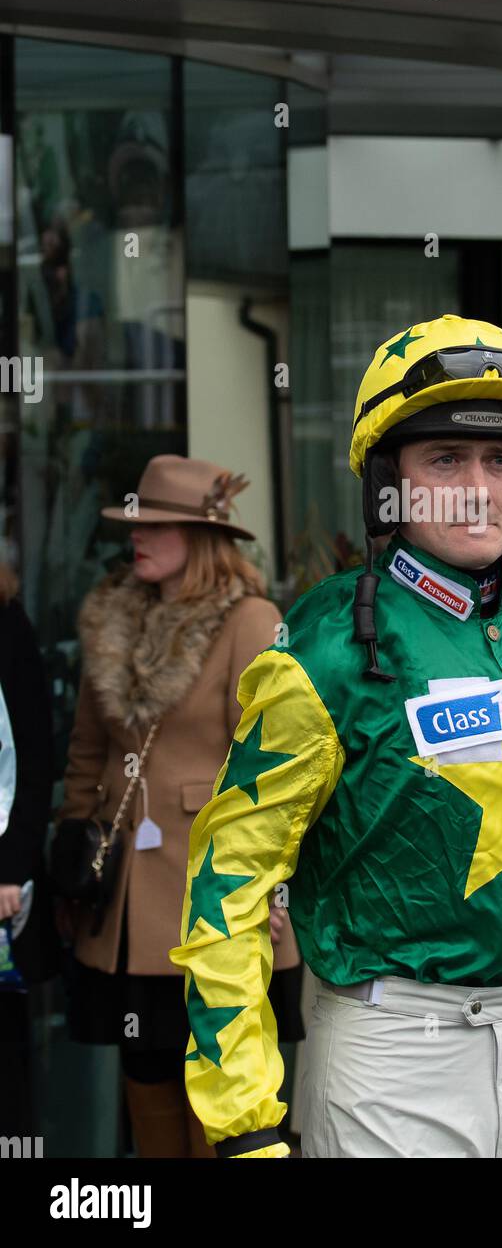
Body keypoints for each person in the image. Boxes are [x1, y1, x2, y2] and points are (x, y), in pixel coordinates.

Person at [170, 315, 502, 1160]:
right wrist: (244, 1123)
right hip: (389, 1066)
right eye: (444, 459)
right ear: (391, 481)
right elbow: (226, 889)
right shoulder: (324, 648)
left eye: (501, 461)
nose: (476, 487)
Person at [55, 456, 304, 1158]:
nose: (136, 536)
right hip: (126, 902)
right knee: (146, 1078)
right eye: (135, 522)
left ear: (200, 537)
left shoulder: (252, 620)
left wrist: (277, 883)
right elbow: (86, 754)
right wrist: (74, 848)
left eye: (156, 524)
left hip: (216, 895)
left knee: (223, 1088)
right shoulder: (113, 617)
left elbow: (279, 770)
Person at [0, 562, 58, 1135]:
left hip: (0, 886)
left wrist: (10, 871)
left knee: (6, 1067)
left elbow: (35, 757)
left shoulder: (7, 623)